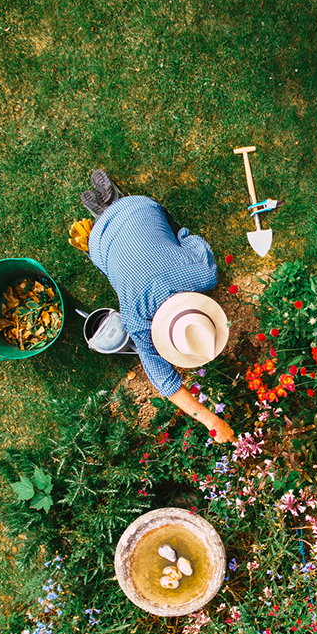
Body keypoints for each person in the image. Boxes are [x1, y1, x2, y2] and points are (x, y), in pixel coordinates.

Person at [77, 170, 235, 443]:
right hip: (99, 242)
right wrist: (211, 422)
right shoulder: (134, 319)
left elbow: (190, 239)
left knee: (156, 234)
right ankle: (105, 210)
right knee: (115, 264)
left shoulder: (204, 274)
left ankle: (111, 205)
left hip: (140, 208)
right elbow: (163, 381)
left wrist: (214, 422)